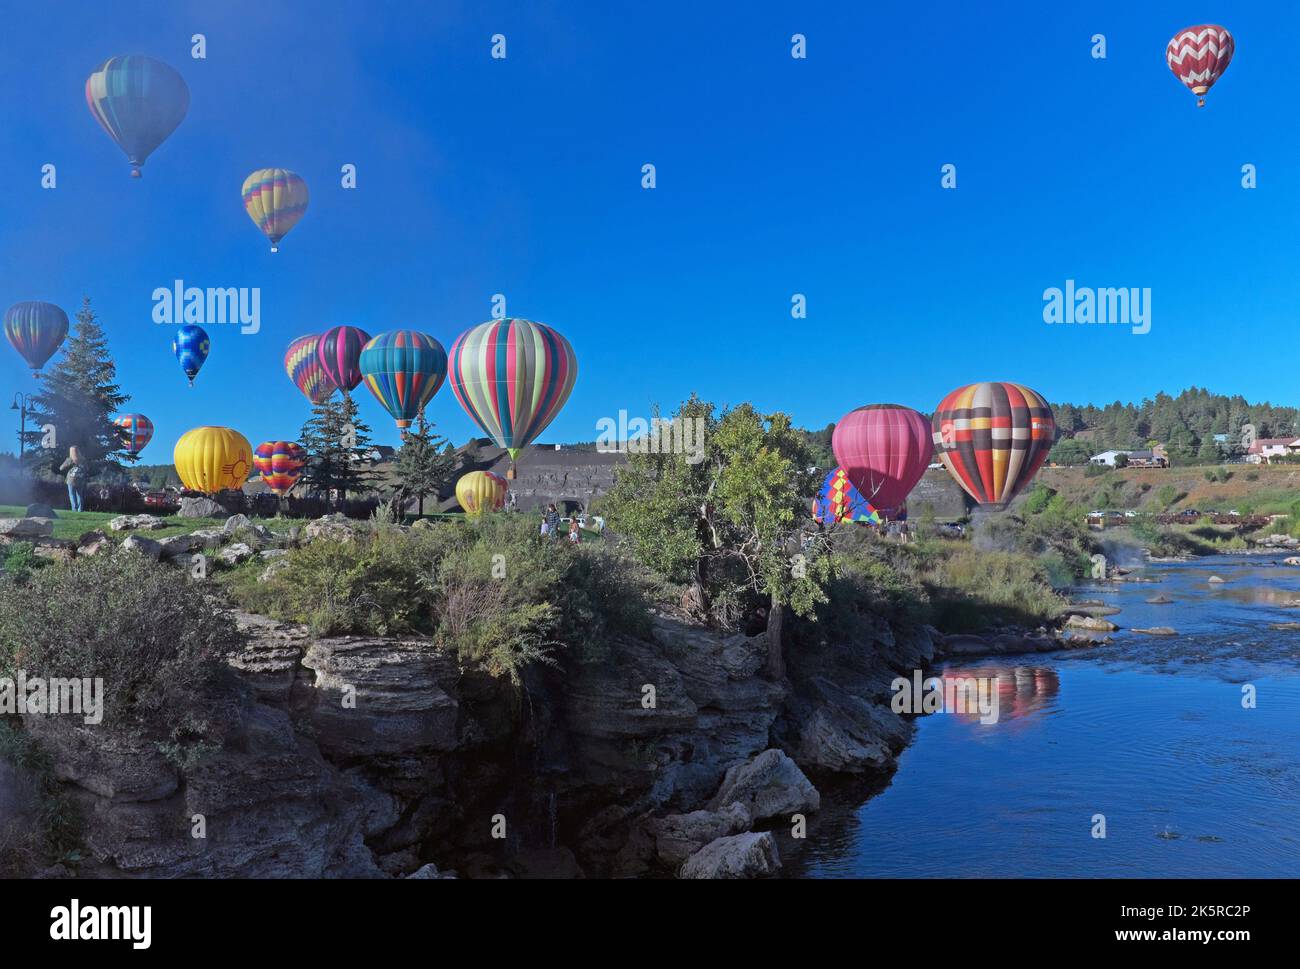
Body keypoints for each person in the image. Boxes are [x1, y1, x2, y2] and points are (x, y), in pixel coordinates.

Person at [60, 446, 87, 511]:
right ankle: (80, 510)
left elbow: (61, 468)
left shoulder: (69, 459)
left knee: (72, 495)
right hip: (80, 480)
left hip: (71, 480)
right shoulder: (83, 459)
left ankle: (74, 509)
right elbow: (87, 468)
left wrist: (68, 465)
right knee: (80, 495)